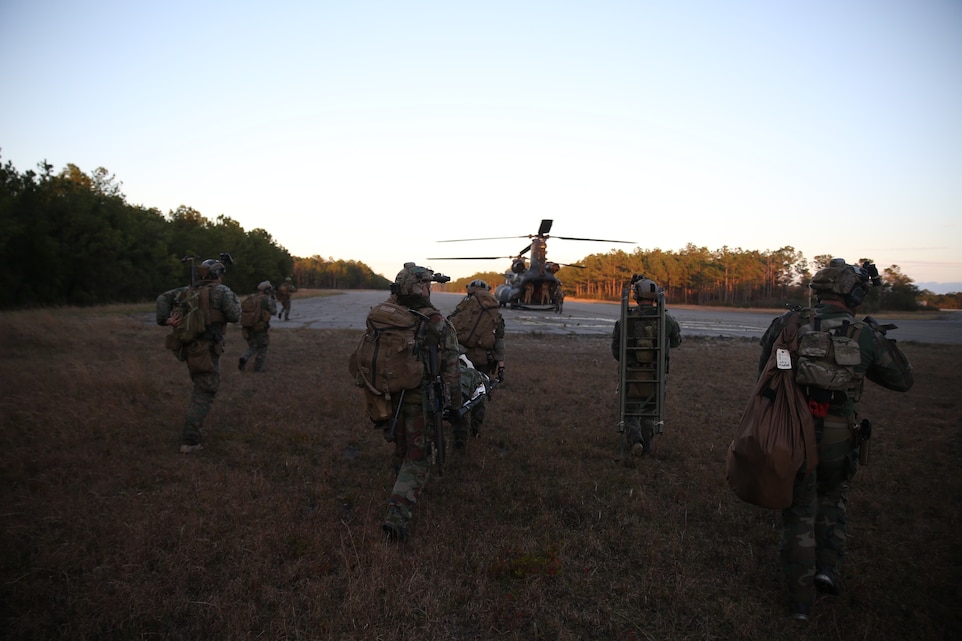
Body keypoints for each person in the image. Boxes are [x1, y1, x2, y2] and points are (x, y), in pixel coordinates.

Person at [757, 258, 913, 622]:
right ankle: (826, 570)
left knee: (799, 511)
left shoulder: (789, 323)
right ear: (854, 294)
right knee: (831, 499)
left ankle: (799, 604)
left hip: (793, 433)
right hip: (840, 436)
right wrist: (878, 338)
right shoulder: (863, 334)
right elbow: (903, 380)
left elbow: (765, 369)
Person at [377, 263, 461, 542]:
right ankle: (396, 515)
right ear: (421, 288)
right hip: (418, 399)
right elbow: (451, 367)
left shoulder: (389, 314)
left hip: (390, 394)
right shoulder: (434, 321)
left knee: (402, 445)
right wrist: (455, 404)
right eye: (427, 286)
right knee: (419, 456)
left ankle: (397, 483)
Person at [156, 258, 241, 453]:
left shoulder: (184, 291)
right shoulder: (221, 291)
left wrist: (164, 320)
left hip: (189, 347)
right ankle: (190, 441)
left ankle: (191, 435)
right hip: (207, 349)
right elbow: (235, 315)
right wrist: (233, 297)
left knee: (201, 385)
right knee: (205, 391)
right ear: (216, 274)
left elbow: (162, 298)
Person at [610, 276, 682, 458]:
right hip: (655, 374)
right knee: (650, 409)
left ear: (636, 296)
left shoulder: (626, 319)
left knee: (629, 408)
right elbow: (676, 341)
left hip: (632, 373)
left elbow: (616, 351)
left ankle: (636, 440)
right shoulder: (667, 319)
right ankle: (647, 445)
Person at [447, 279, 506, 446]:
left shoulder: (464, 306)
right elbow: (499, 340)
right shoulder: (494, 312)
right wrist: (501, 366)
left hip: (462, 358)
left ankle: (459, 434)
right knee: (479, 394)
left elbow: (449, 327)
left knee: (459, 394)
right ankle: (476, 430)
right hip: (483, 360)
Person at [239, 280, 278, 373]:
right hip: (260, 327)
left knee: (253, 346)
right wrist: (273, 301)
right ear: (267, 290)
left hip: (247, 327)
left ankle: (244, 357)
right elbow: (274, 311)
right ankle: (258, 369)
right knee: (262, 348)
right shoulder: (267, 299)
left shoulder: (250, 298)